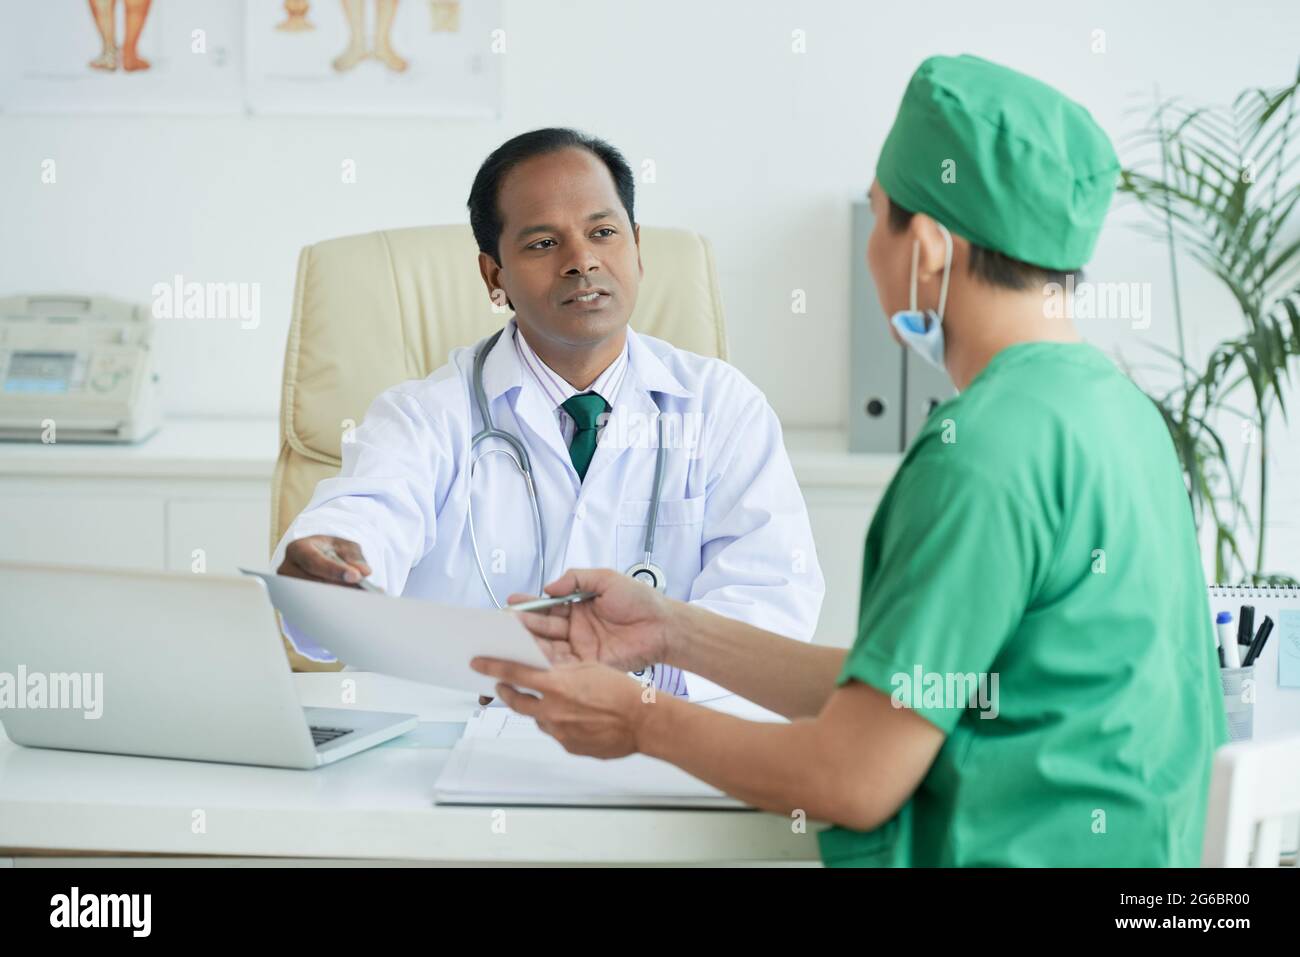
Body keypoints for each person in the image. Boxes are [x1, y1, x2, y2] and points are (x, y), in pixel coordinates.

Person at [472, 56, 1228, 866]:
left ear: (928, 248)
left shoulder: (981, 454)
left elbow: (851, 775)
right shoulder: (1115, 410)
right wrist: (668, 632)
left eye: (879, 220)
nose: (872, 249)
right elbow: (925, 691)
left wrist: (638, 720)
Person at [274, 128, 825, 703]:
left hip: (657, 741)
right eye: (542, 244)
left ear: (637, 248)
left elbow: (773, 603)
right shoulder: (424, 416)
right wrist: (327, 573)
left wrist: (638, 675)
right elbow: (363, 517)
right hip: (446, 750)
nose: (582, 261)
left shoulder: (721, 408)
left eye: (603, 233)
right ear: (495, 277)